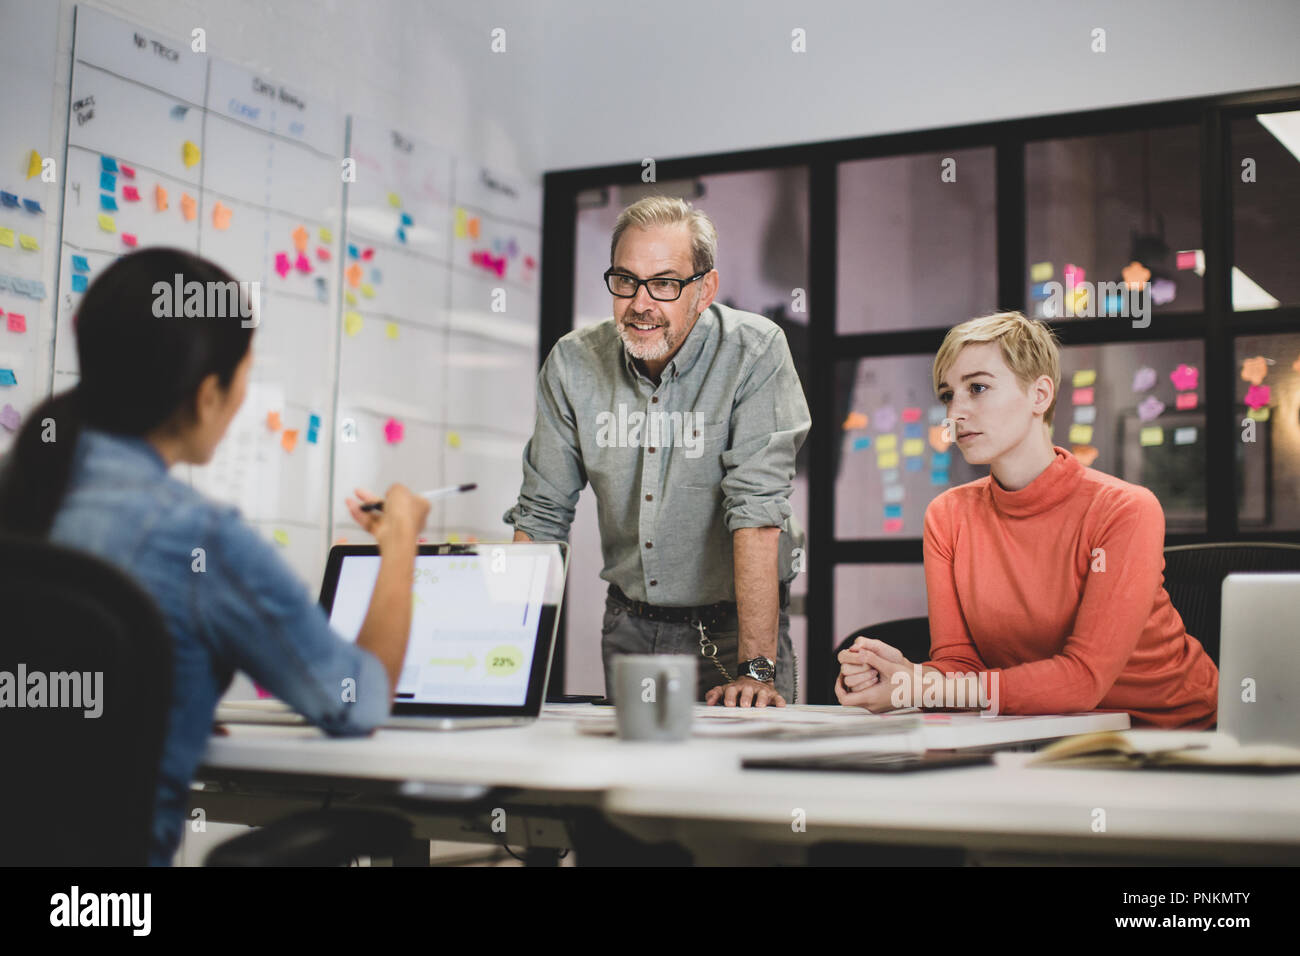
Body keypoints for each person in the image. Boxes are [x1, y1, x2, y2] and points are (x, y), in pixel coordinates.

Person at [0, 248, 429, 864]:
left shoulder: (21, 485)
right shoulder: (197, 538)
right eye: (242, 384)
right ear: (207, 396)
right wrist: (399, 545)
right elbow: (354, 700)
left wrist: (157, 699)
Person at [836, 311, 1218, 728]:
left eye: (977, 388)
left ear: (1040, 396)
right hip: (1044, 730)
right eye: (948, 395)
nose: (956, 412)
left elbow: (1082, 681)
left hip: (1176, 734)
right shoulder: (947, 516)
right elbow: (960, 665)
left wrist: (920, 687)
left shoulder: (1124, 509)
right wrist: (898, 675)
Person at [504, 196, 810, 706]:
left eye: (665, 283)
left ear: (704, 289)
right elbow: (541, 515)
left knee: (735, 779)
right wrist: (505, 658)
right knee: (635, 781)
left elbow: (756, 510)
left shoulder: (754, 351)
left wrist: (756, 672)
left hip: (735, 630)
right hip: (630, 627)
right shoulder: (574, 362)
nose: (640, 303)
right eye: (625, 281)